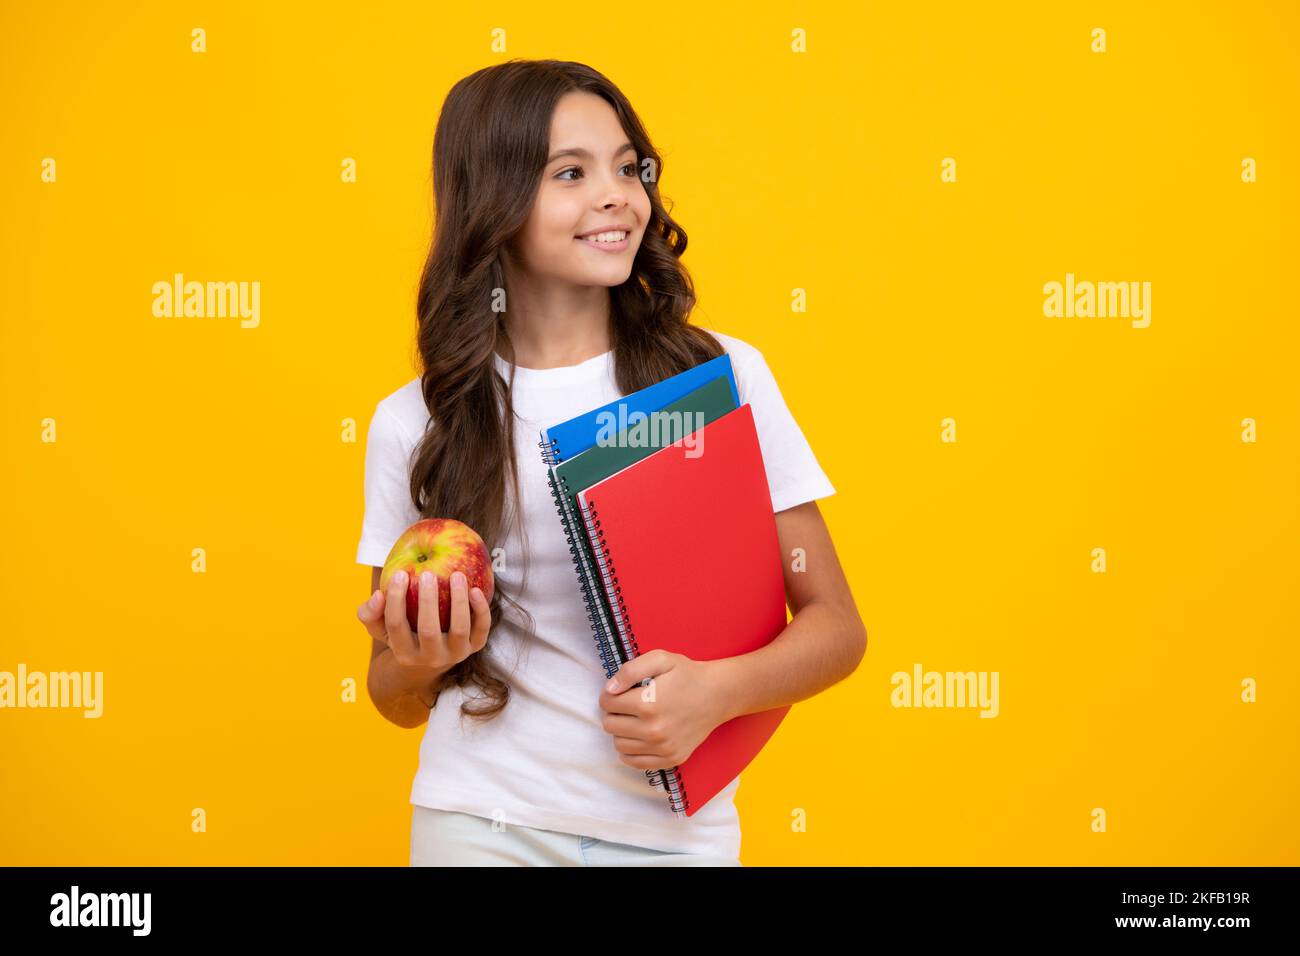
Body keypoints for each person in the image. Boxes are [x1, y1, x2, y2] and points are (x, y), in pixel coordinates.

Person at [353, 59, 867, 867]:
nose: (618, 196)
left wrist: (716, 694)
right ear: (493, 200)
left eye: (630, 168)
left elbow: (838, 628)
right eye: (571, 172)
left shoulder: (715, 380)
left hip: (673, 837)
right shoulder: (417, 418)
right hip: (479, 824)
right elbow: (393, 696)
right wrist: (420, 662)